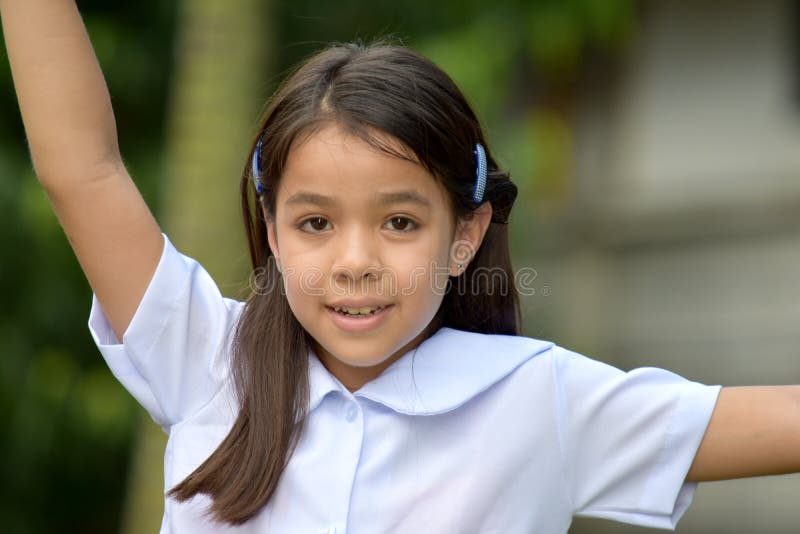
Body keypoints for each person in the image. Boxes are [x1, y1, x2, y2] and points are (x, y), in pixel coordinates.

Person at [2, 1, 798, 533]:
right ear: (272, 231)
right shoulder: (205, 357)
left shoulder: (538, 399)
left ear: (465, 235)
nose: (356, 262)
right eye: (315, 222)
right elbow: (81, 170)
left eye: (400, 222)